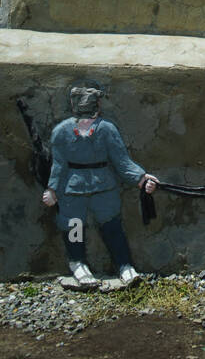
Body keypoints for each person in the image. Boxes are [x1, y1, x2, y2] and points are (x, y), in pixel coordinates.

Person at [42, 85, 158, 290]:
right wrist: (52, 190)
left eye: (90, 115)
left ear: (97, 110)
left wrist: (140, 178)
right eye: (83, 115)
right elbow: (58, 165)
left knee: (112, 226)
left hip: (103, 185)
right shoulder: (61, 132)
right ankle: (78, 263)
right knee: (74, 225)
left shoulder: (107, 129)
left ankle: (124, 266)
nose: (87, 121)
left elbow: (121, 161)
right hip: (73, 187)